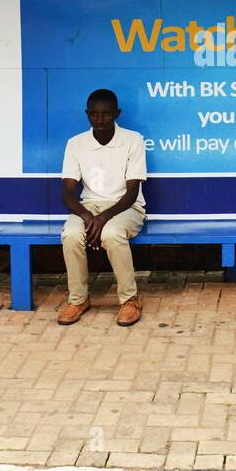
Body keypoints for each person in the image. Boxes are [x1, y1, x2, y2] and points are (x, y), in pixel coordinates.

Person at [58, 89, 147, 326]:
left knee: (112, 233)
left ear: (117, 113)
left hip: (126, 207)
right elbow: (67, 194)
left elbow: (132, 193)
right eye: (94, 114)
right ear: (87, 114)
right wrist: (88, 216)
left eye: (106, 114)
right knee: (71, 234)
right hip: (89, 206)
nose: (99, 119)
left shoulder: (133, 140)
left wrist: (103, 218)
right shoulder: (76, 143)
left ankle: (130, 300)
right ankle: (78, 300)